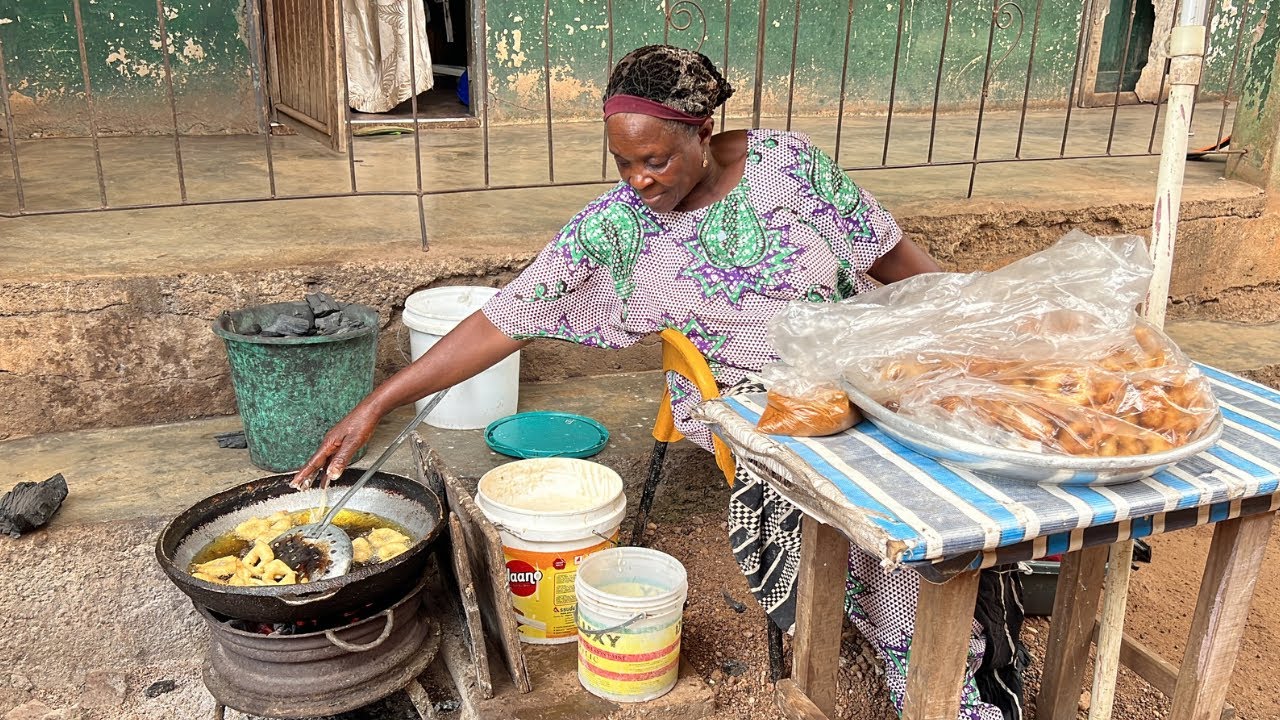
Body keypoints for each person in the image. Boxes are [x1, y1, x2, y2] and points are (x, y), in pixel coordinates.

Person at [294, 44, 1025, 720]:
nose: (638, 181)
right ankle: (944, 678)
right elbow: (503, 319)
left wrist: (988, 333)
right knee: (884, 521)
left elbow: (896, 263)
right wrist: (380, 402)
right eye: (622, 164)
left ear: (704, 131)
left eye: (655, 161)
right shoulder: (618, 232)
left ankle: (963, 622)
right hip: (757, 410)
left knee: (973, 471)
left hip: (873, 376)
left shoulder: (791, 168)